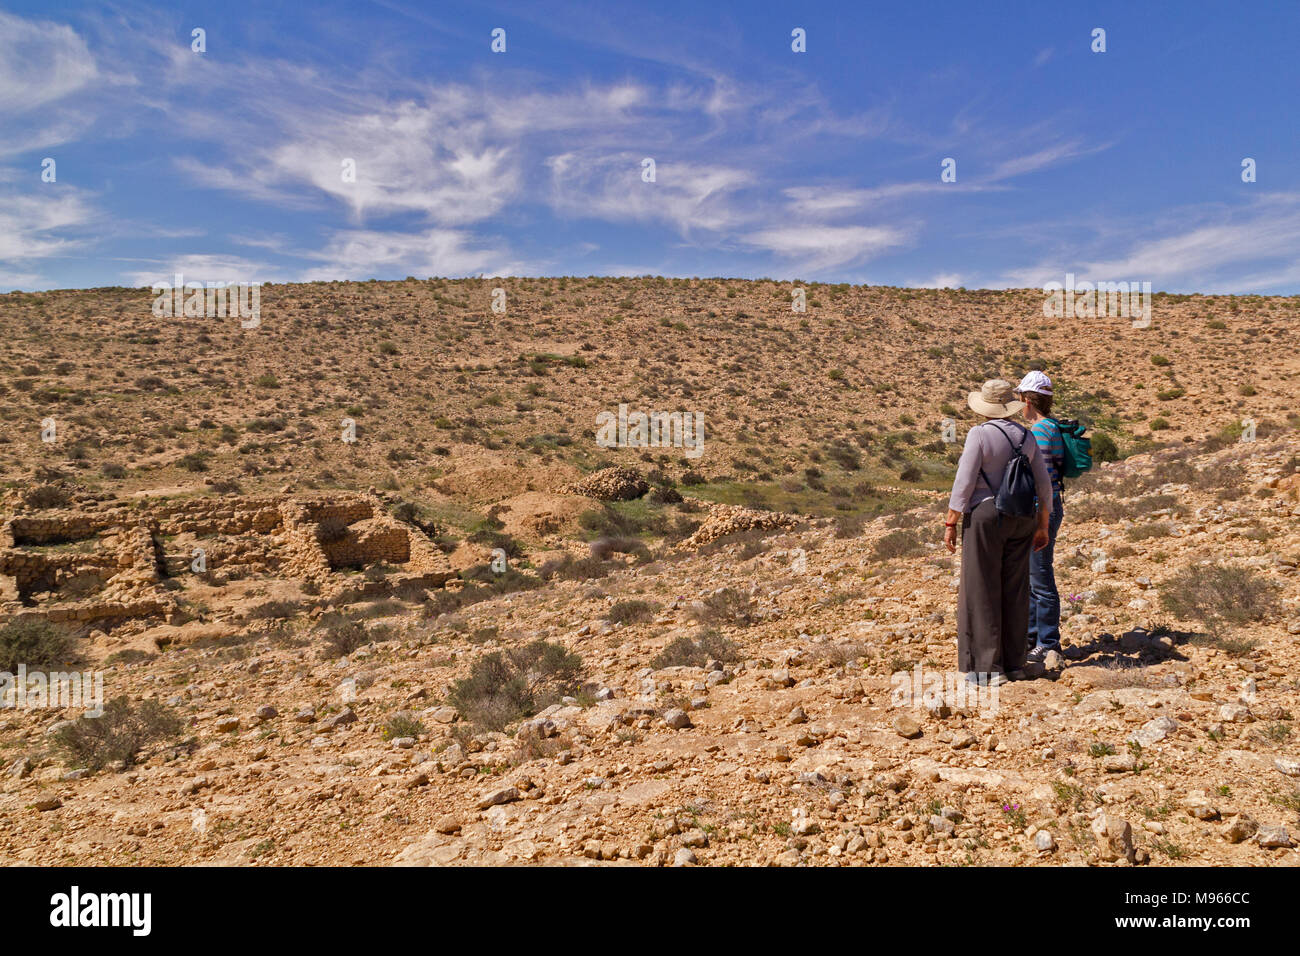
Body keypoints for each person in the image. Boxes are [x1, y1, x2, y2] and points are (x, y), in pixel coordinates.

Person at [944, 380, 1051, 684]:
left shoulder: (979, 434)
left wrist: (951, 522)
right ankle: (1015, 663)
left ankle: (987, 669)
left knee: (981, 589)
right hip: (1024, 517)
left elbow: (964, 482)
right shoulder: (1027, 437)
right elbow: (1044, 485)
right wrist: (1042, 525)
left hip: (987, 516)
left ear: (986, 407)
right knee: (1015, 589)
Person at [1016, 371, 1065, 663]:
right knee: (1035, 575)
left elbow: (1041, 477)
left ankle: (1048, 642)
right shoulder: (1052, 427)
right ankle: (1034, 638)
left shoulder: (1039, 432)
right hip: (1049, 505)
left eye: (1021, 398)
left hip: (1041, 509)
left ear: (1028, 400)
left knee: (1041, 576)